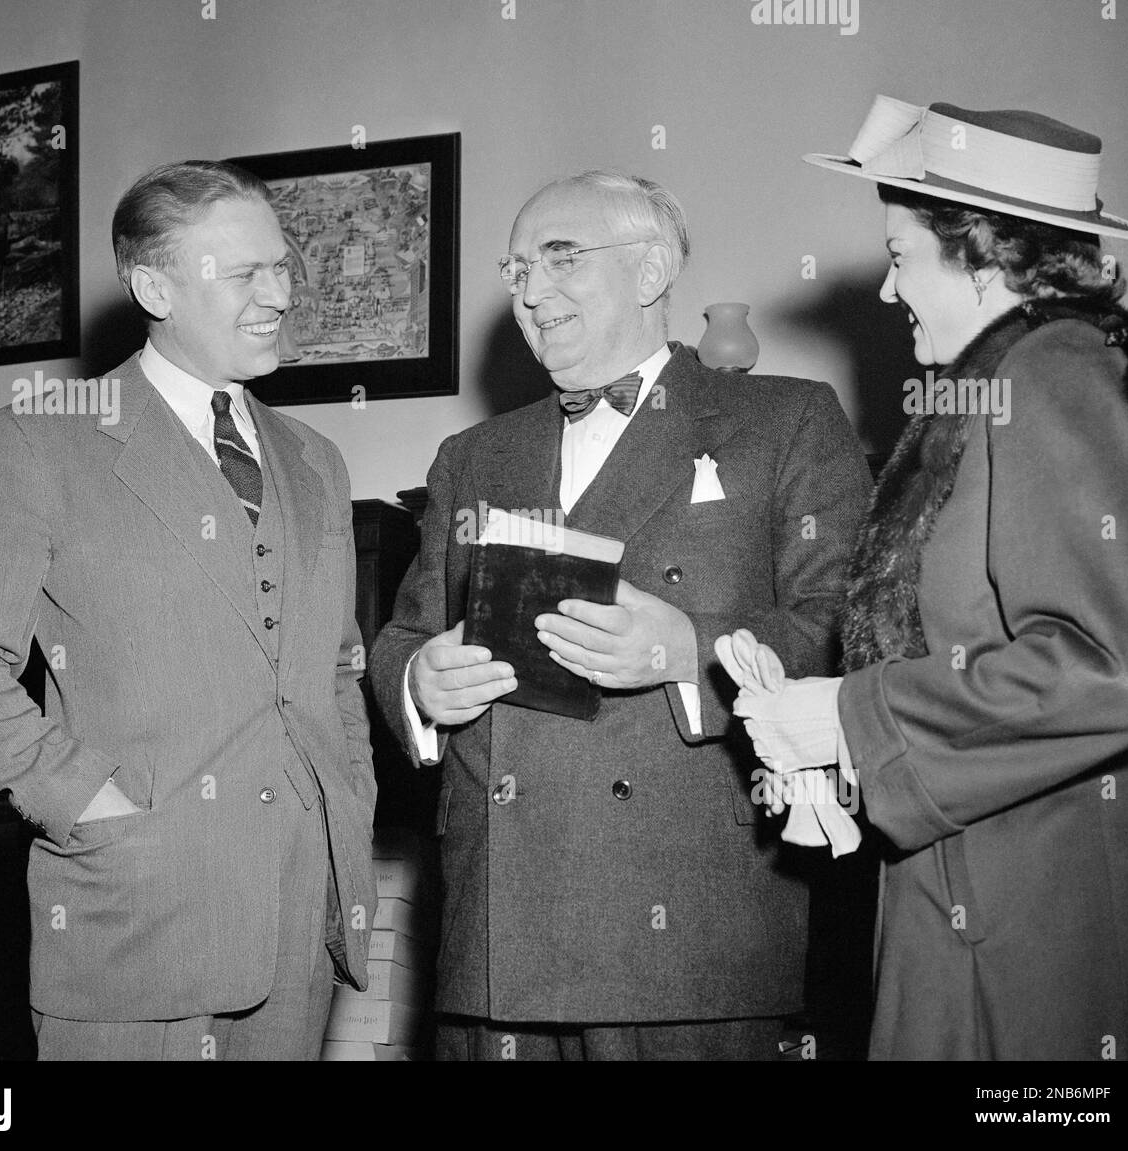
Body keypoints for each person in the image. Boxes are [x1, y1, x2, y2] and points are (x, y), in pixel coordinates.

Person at [369, 170, 870, 1059]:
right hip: (499, 938)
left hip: (689, 943)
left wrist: (690, 651)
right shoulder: (473, 454)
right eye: (515, 268)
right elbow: (406, 632)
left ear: (650, 272)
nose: (528, 292)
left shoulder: (785, 419)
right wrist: (418, 682)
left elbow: (844, 629)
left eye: (560, 259)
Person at [0, 161, 377, 1060]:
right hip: (136, 923)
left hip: (299, 924)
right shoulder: (37, 439)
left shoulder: (316, 458)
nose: (279, 295)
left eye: (283, 268)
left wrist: (348, 795)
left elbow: (335, 669)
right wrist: (89, 802)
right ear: (154, 285)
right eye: (244, 274)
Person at [723, 95, 1128, 1059]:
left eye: (900, 256)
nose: (886, 291)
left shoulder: (1053, 376)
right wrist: (824, 731)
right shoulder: (1005, 385)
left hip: (1029, 933)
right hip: (980, 898)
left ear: (986, 253)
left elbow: (1119, 669)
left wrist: (850, 712)